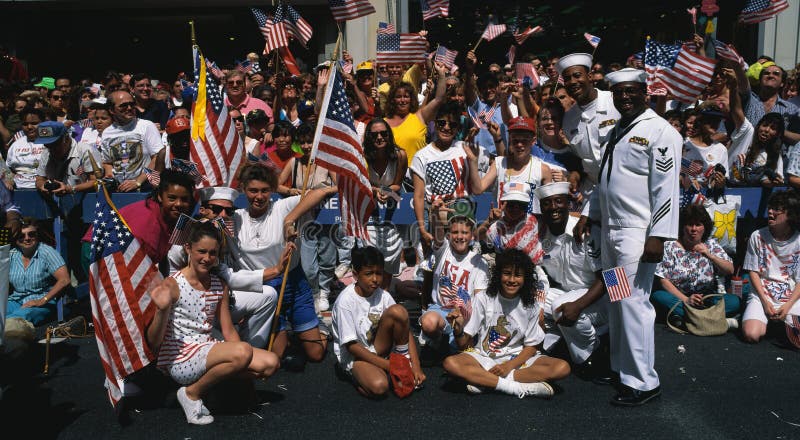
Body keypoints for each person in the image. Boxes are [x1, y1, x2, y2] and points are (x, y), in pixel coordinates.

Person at [578, 68, 681, 406]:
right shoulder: (618, 129)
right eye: (619, 92)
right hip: (612, 233)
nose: (624, 97)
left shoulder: (659, 131)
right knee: (618, 301)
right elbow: (604, 179)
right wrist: (588, 215)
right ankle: (623, 369)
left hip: (637, 234)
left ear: (644, 92)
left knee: (634, 304)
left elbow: (666, 190)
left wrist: (659, 236)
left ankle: (644, 382)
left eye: (631, 91)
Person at [148, 222, 280, 425]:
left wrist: (240, 363)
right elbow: (154, 343)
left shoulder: (219, 284)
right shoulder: (172, 285)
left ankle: (213, 390)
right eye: (201, 251)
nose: (207, 258)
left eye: (212, 253)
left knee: (270, 363)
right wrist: (161, 310)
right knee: (242, 352)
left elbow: (228, 330)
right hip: (181, 357)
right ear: (188, 249)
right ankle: (191, 393)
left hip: (207, 347)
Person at [232, 162, 337, 363]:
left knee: (316, 354)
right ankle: (291, 332)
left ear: (272, 190)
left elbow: (319, 191)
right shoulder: (236, 218)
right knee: (275, 356)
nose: (259, 197)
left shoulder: (282, 206)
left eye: (264, 191)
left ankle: (319, 327)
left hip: (294, 282)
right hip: (264, 291)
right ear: (243, 189)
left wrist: (290, 219)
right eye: (253, 191)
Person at [168, 186, 290, 348]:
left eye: (229, 211)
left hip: (220, 300)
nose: (223, 215)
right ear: (203, 210)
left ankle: (252, 349)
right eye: (217, 209)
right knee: (222, 352)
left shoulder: (224, 235)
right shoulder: (189, 235)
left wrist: (276, 267)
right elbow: (173, 271)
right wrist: (274, 270)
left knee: (268, 295)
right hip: (189, 307)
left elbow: (229, 275)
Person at [442, 248, 570, 398]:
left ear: (526, 278)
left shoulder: (532, 305)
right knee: (450, 363)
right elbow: (464, 346)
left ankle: (485, 381)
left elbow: (532, 346)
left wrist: (509, 366)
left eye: (518, 275)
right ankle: (516, 388)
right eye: (507, 273)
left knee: (562, 368)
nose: (511, 280)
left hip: (517, 360)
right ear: (498, 275)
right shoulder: (484, 298)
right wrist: (458, 330)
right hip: (485, 358)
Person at [331, 246, 425, 397]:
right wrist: (389, 366)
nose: (375, 279)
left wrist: (416, 366)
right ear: (355, 274)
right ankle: (356, 374)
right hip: (355, 356)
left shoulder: (383, 295)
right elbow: (351, 347)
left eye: (379, 273)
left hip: (377, 347)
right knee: (380, 386)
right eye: (368, 274)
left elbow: (405, 330)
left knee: (399, 311)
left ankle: (402, 359)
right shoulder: (345, 302)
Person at [81, 168, 196, 268]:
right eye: (172, 198)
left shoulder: (171, 216)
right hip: (97, 250)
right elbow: (137, 267)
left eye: (185, 199)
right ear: (160, 196)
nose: (178, 204)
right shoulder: (148, 225)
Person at [277, 123, 337, 313]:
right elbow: (277, 185)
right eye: (302, 142)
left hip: (326, 217)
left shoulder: (327, 162)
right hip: (304, 219)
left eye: (309, 141)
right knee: (308, 264)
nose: (306, 146)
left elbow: (339, 186)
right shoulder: (294, 162)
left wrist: (322, 191)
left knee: (327, 258)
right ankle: (314, 291)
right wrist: (290, 190)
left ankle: (325, 291)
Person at [652, 205, 739, 328]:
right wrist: (686, 300)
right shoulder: (670, 247)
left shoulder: (710, 244)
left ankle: (688, 321)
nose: (694, 229)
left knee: (734, 302)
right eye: (689, 224)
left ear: (705, 228)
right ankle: (714, 320)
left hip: (706, 299)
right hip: (679, 298)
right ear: (683, 227)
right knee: (658, 297)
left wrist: (710, 255)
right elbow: (663, 281)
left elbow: (730, 269)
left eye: (698, 225)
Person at [418, 204, 489, 354]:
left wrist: (464, 316)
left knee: (461, 354)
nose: (460, 236)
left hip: (465, 315)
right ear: (448, 234)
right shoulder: (443, 250)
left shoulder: (479, 262)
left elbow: (479, 297)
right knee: (428, 323)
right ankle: (438, 340)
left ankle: (449, 344)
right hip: (441, 309)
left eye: (465, 232)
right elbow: (437, 237)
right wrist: (436, 214)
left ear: (471, 236)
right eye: (455, 232)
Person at [411, 103, 482, 250]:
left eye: (453, 125)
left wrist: (497, 139)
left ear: (458, 129)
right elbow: (418, 195)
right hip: (435, 210)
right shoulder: (421, 156)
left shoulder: (465, 148)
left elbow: (498, 162)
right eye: (442, 123)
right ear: (435, 124)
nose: (447, 128)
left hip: (462, 206)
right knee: (436, 257)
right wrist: (422, 229)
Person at [741, 191, 800, 344]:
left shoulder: (799, 241)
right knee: (751, 335)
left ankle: (778, 324)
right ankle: (773, 324)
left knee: (797, 337)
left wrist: (787, 307)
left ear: (790, 215)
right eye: (770, 208)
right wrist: (766, 303)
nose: (771, 212)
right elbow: (753, 272)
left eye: (777, 209)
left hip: (790, 296)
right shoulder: (757, 236)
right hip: (762, 294)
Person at [559, 53, 621, 195]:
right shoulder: (568, 119)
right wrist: (576, 174)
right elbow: (580, 160)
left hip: (625, 185)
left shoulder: (615, 102)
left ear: (590, 76)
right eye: (567, 79)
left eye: (577, 75)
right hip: (593, 190)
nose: (573, 82)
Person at [470, 116, 552, 213]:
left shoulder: (542, 169)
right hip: (502, 225)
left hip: (531, 226)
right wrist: (473, 161)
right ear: (510, 139)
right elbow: (478, 189)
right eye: (515, 140)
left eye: (524, 141)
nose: (519, 145)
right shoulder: (499, 164)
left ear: (533, 141)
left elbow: (549, 205)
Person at [7, 217, 71, 326]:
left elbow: (64, 280)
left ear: (37, 235)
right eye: (21, 236)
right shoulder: (12, 255)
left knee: (17, 319)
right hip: (16, 301)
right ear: (16, 239)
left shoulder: (46, 252)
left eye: (31, 234)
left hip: (40, 304)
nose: (27, 238)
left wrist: (42, 300)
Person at [384, 62, 448, 165]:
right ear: (392, 100)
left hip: (417, 174)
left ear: (412, 99)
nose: (402, 100)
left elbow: (439, 99)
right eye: (398, 97)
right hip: (393, 176)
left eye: (406, 96)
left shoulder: (420, 116)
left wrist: (441, 74)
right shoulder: (384, 123)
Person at [101, 90, 163, 192]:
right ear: (111, 110)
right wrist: (109, 177)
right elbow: (107, 162)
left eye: (132, 104)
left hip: (144, 189)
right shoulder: (107, 133)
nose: (129, 108)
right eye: (123, 105)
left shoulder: (146, 126)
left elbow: (157, 158)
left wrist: (138, 182)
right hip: (119, 191)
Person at [33, 120, 99, 195]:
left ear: (66, 138)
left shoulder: (86, 151)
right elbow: (39, 179)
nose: (52, 149)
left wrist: (71, 189)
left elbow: (96, 181)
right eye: (47, 145)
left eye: (55, 144)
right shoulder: (46, 152)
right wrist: (42, 185)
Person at [6, 108, 46, 189]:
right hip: (18, 191)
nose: (29, 127)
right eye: (25, 124)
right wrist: (9, 181)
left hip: (44, 191)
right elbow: (9, 169)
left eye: (34, 123)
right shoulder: (15, 145)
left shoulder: (50, 144)